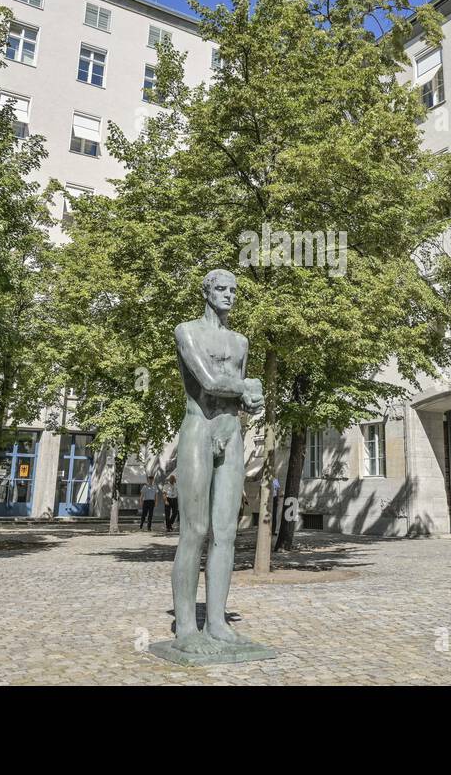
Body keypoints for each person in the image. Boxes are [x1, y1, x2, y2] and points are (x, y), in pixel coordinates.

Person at [169, 269, 264, 654]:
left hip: (231, 434)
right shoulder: (186, 331)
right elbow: (208, 382)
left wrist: (252, 397)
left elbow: (240, 394)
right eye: (221, 289)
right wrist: (248, 387)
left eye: (233, 290)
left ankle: (218, 622)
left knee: (225, 533)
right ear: (206, 293)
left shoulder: (240, 341)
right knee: (194, 529)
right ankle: (187, 627)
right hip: (198, 429)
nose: (229, 295)